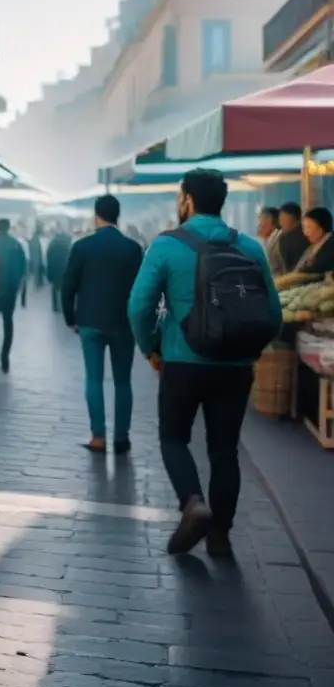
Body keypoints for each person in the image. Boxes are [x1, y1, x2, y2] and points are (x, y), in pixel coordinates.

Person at [128, 169, 281, 557]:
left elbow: (139, 306)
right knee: (224, 449)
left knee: (174, 437)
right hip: (235, 367)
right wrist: (248, 351)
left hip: (182, 362)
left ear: (188, 200)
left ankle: (193, 503)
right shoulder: (250, 247)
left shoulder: (166, 246)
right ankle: (221, 536)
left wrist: (150, 348)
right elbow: (274, 314)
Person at [61, 195, 142, 454]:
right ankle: (122, 438)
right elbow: (141, 289)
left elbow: (68, 286)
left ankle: (98, 436)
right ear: (118, 216)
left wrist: (70, 318)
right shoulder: (133, 248)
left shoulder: (83, 246)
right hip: (123, 324)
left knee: (94, 380)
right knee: (123, 382)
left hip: (90, 323)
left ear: (96, 216)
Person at [0, 218, 27, 373]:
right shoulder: (16, 245)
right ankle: (5, 358)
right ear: (8, 227)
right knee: (8, 323)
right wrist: (17, 287)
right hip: (9, 292)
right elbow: (23, 268)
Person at [296, 207, 334, 274]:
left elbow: (314, 270)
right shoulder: (312, 247)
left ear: (321, 227)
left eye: (309, 227)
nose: (305, 233)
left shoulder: (331, 246)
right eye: (304, 227)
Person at [45, 225, 72, 313]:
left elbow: (48, 256)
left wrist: (48, 268)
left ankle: (55, 306)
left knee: (54, 287)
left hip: (54, 268)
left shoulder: (52, 243)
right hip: (65, 267)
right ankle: (65, 305)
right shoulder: (67, 243)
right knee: (65, 287)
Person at [278, 202, 310, 276]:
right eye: (280, 219)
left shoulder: (305, 236)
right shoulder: (283, 237)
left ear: (295, 219)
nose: (280, 223)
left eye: (283, 219)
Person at [257, 206, 284, 274]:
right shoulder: (267, 241)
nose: (258, 228)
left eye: (261, 225)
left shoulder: (279, 242)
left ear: (273, 225)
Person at [28, 224, 46, 288]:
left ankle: (38, 283)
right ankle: (37, 283)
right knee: (37, 271)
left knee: (38, 271)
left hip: (37, 257)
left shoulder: (35, 238)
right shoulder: (35, 238)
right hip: (36, 257)